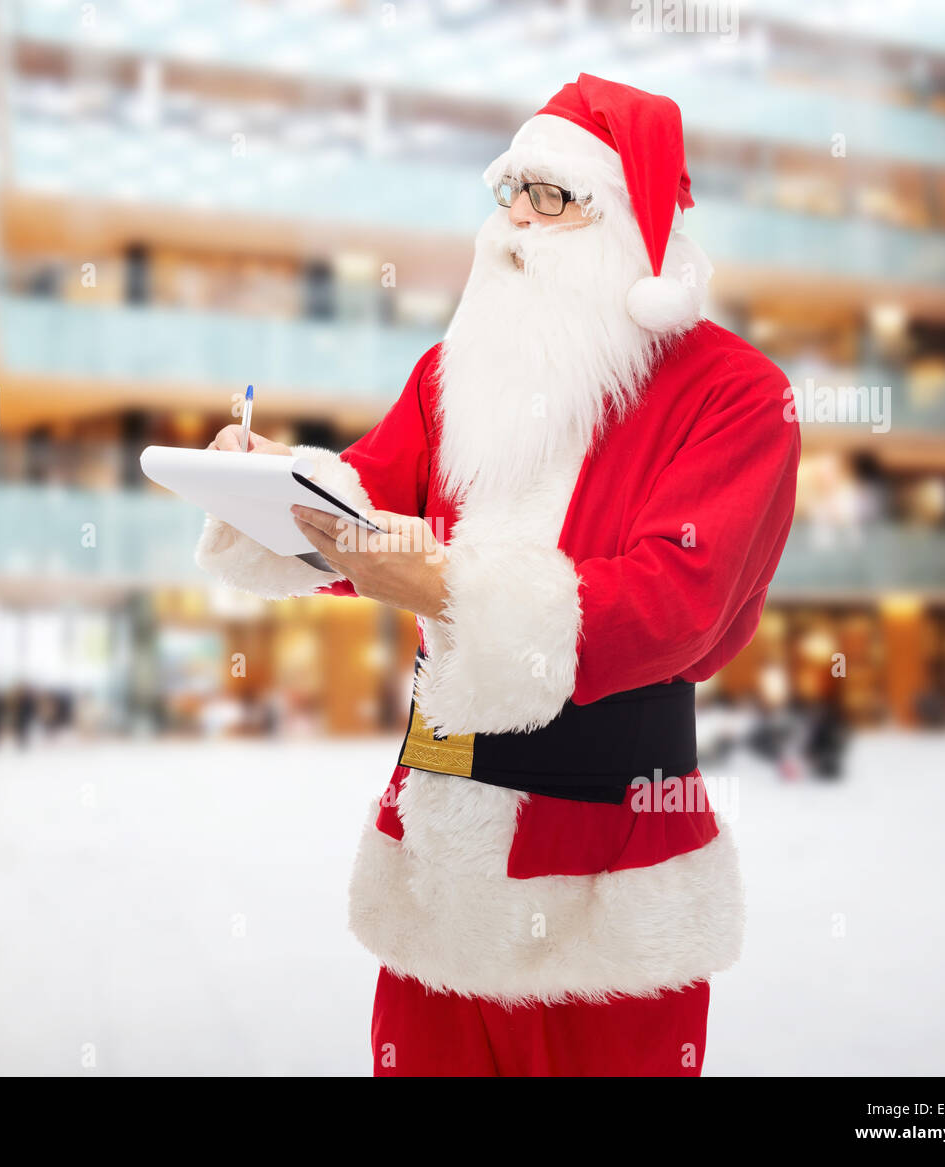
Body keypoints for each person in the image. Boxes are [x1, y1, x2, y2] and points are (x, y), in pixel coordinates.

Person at [196, 74, 801, 1077]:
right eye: (506, 191)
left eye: (548, 196)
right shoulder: (449, 376)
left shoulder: (736, 394)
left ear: (620, 220)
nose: (512, 221)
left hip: (610, 890)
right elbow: (367, 509)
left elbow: (676, 607)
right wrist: (270, 490)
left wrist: (440, 588)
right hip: (439, 868)